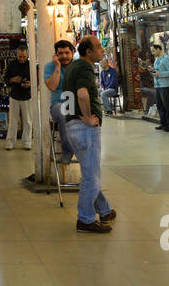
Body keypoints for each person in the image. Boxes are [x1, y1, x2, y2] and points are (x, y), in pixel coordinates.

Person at [62, 35, 115, 234]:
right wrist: (87, 117)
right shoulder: (84, 67)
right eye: (99, 47)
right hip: (84, 128)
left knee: (89, 172)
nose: (102, 50)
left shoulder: (73, 67)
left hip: (72, 126)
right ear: (88, 52)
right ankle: (85, 219)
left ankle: (104, 209)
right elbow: (83, 94)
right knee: (91, 176)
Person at [43, 39, 75, 162]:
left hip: (76, 103)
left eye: (67, 53)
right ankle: (68, 151)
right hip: (58, 105)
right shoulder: (50, 67)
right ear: (56, 54)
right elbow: (52, 86)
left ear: (72, 52)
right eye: (60, 53)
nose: (64, 56)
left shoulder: (78, 66)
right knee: (64, 114)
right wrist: (57, 66)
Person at [4, 42, 33, 151]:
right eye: (20, 57)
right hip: (14, 96)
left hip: (27, 96)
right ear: (17, 55)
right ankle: (10, 142)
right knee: (13, 120)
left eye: (24, 57)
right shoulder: (11, 64)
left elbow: (36, 80)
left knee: (28, 121)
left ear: (27, 55)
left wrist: (30, 84)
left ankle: (27, 141)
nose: (22, 59)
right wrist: (13, 79)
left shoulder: (31, 65)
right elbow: (6, 79)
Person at [152, 43, 169, 131]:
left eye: (154, 51)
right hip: (158, 86)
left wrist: (159, 74)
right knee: (160, 106)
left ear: (159, 49)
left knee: (167, 106)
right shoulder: (157, 59)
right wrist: (152, 71)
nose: (153, 53)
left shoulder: (166, 59)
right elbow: (157, 71)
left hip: (166, 86)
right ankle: (163, 123)